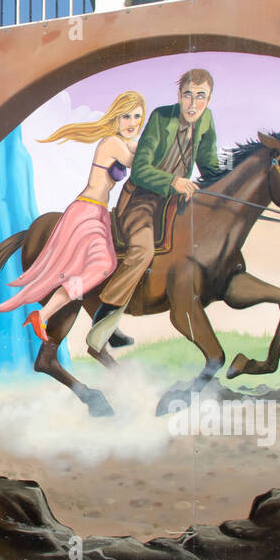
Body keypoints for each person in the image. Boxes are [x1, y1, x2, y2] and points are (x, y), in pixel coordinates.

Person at [86, 68, 218, 354]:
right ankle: (104, 317)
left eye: (200, 97)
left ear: (209, 99)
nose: (193, 105)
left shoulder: (206, 121)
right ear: (179, 96)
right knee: (142, 251)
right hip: (142, 200)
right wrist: (173, 181)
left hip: (176, 201)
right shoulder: (160, 118)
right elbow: (142, 169)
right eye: (187, 96)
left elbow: (210, 167)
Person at [0, 92, 145, 340]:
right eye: (125, 116)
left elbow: (137, 148)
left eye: (137, 116)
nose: (131, 122)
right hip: (87, 210)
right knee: (105, 264)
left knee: (81, 270)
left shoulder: (122, 141)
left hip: (100, 214)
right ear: (115, 118)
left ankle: (46, 315)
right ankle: (45, 316)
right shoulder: (112, 143)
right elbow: (136, 160)